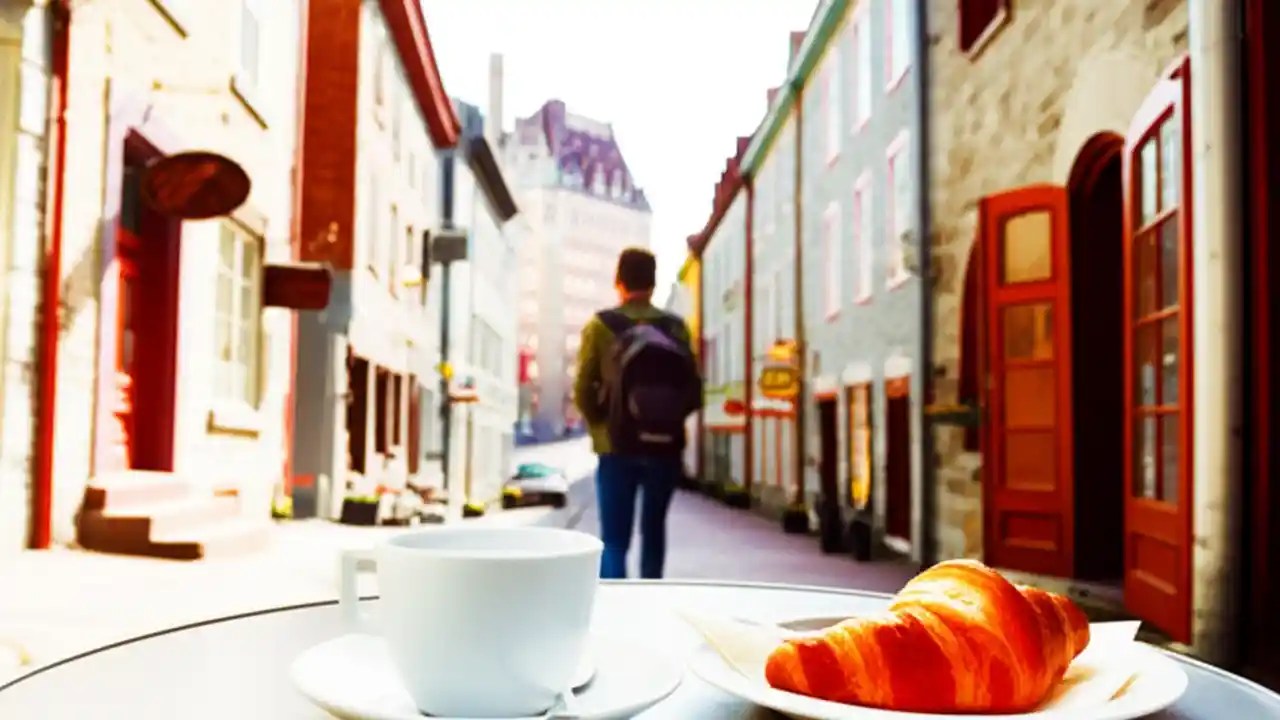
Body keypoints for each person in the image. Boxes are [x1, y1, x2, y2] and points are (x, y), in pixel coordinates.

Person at [573, 248, 702, 579]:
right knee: (654, 532)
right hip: (664, 447)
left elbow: (583, 388)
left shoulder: (601, 326)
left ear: (619, 282)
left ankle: (617, 603)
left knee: (615, 540)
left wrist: (603, 425)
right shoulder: (675, 327)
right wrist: (667, 419)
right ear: (653, 283)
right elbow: (693, 390)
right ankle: (651, 600)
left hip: (616, 446)